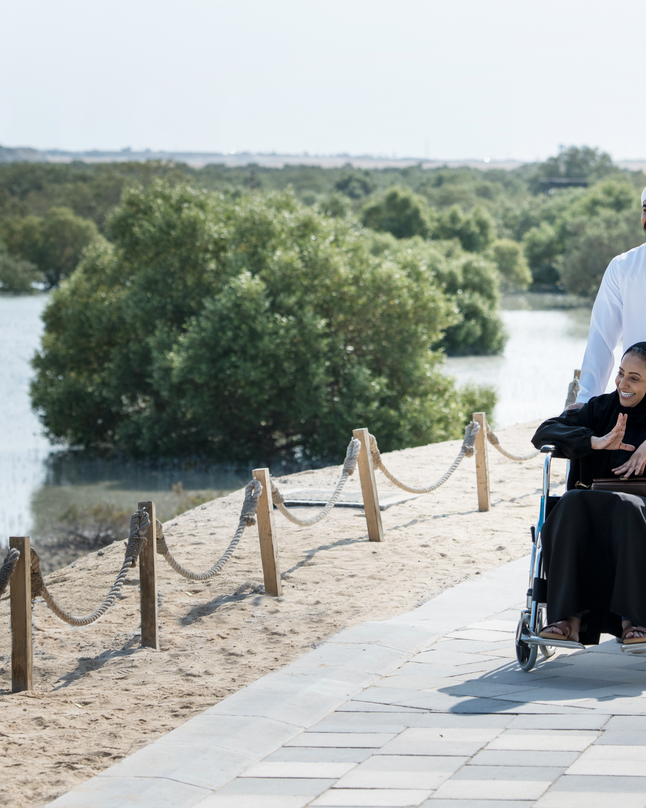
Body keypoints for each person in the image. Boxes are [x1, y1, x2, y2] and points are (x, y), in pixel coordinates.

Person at [531, 342, 646, 645]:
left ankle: (634, 621)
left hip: (638, 511)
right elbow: (543, 432)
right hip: (590, 503)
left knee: (628, 508)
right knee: (570, 502)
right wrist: (594, 441)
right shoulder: (600, 408)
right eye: (621, 374)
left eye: (635, 378)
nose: (623, 383)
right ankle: (567, 619)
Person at [576, 187, 646, 404]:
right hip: (636, 406)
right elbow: (601, 341)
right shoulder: (623, 268)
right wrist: (586, 403)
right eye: (645, 210)